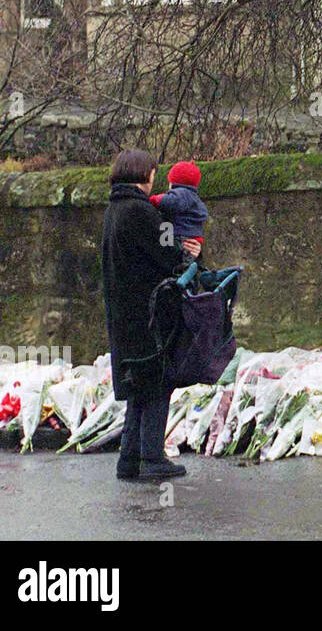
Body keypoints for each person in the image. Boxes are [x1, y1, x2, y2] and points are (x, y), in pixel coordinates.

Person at [102, 149, 201, 481]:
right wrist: (190, 256)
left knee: (138, 388)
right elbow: (169, 253)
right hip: (149, 316)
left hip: (124, 315)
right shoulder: (141, 213)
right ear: (145, 176)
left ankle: (129, 460)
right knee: (158, 384)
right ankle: (153, 458)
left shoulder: (115, 210)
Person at [150, 160, 209, 254]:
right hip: (193, 238)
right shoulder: (195, 199)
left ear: (174, 183)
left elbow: (169, 202)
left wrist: (154, 200)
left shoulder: (181, 194)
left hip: (179, 236)